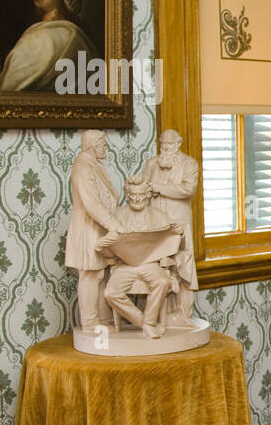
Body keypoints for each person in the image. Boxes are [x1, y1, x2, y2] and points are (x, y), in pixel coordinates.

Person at [100, 178, 180, 338]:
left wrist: (177, 233)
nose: (137, 198)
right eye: (133, 195)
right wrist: (104, 245)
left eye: (141, 194)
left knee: (162, 282)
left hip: (150, 264)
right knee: (110, 293)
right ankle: (144, 322)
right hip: (125, 265)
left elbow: (169, 244)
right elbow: (108, 252)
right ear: (128, 195)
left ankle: (149, 323)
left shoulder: (159, 216)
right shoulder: (117, 216)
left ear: (148, 195)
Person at [138, 129, 199, 314]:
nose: (166, 148)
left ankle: (182, 312)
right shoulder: (152, 164)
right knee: (158, 266)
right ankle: (159, 314)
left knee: (183, 265)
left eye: (170, 145)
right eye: (163, 144)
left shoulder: (189, 164)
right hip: (156, 223)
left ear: (178, 144)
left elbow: (187, 189)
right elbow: (144, 188)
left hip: (179, 221)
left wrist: (157, 187)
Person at [65, 130, 120, 331]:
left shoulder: (93, 165)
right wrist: (114, 225)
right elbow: (92, 204)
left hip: (98, 228)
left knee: (100, 275)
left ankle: (102, 319)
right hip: (88, 229)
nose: (106, 147)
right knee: (90, 275)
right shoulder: (83, 167)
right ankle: (90, 322)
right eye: (103, 143)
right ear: (93, 145)